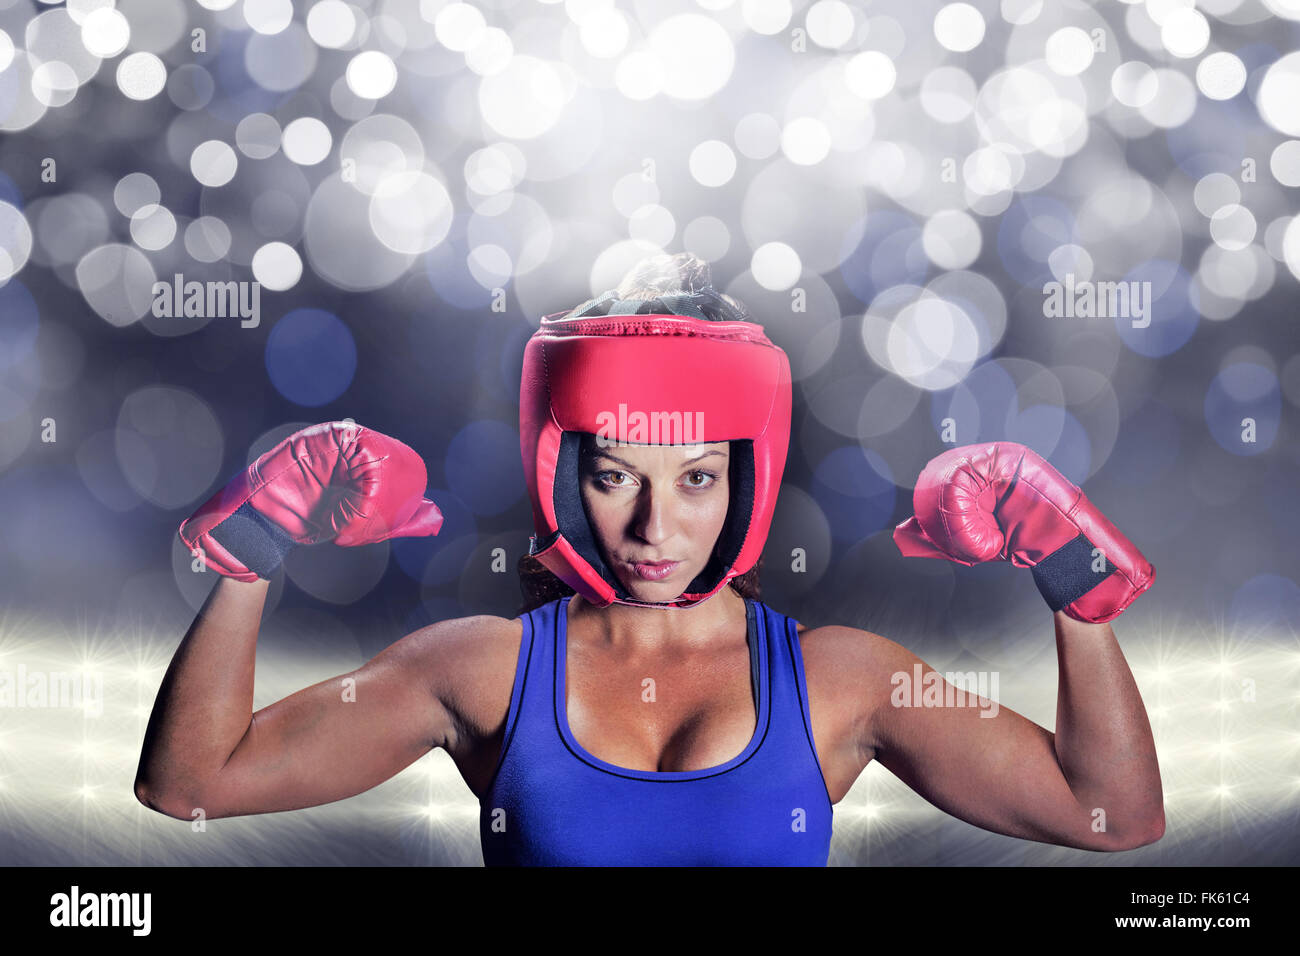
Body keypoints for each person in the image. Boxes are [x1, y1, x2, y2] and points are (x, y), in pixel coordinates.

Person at [135, 253, 1165, 866]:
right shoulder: (481, 667)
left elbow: (1108, 813)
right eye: (616, 475)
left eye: (698, 479)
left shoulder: (840, 679)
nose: (654, 528)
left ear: (749, 481)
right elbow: (192, 783)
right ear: (561, 468)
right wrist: (251, 542)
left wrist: (1072, 581)